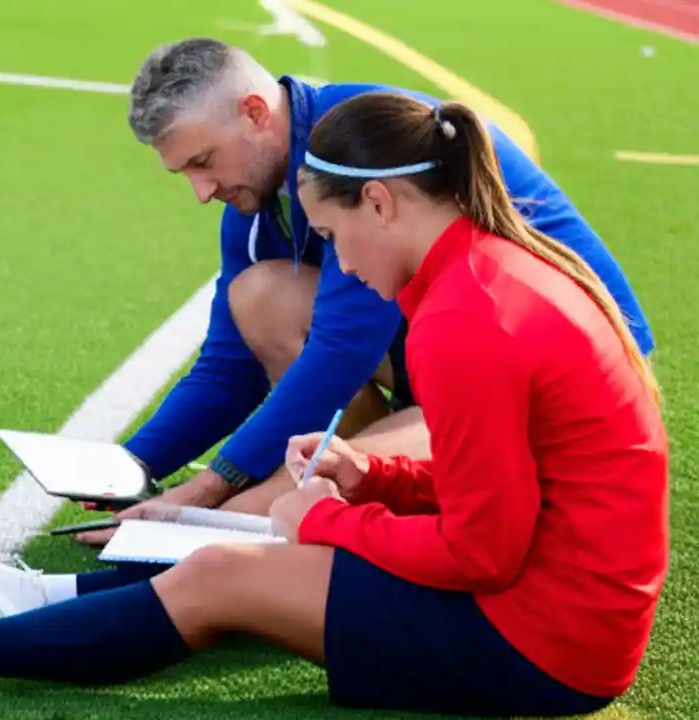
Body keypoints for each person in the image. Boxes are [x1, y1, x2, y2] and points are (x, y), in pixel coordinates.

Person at [0, 92, 670, 716]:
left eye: (332, 238)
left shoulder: (463, 318)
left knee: (230, 571)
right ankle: (32, 599)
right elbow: (503, 489)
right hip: (567, 608)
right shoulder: (490, 269)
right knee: (245, 556)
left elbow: (484, 550)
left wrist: (330, 521)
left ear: (380, 201)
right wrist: (374, 479)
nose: (341, 265)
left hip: (545, 646)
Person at [81, 38, 656, 545]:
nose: (201, 191)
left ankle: (381, 479)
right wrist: (129, 466)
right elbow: (230, 365)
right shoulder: (256, 197)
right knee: (262, 298)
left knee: (248, 519)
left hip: (550, 389)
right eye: (184, 172)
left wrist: (214, 488)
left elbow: (341, 351)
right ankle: (379, 474)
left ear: (254, 112)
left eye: (203, 162)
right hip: (458, 362)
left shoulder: (359, 153)